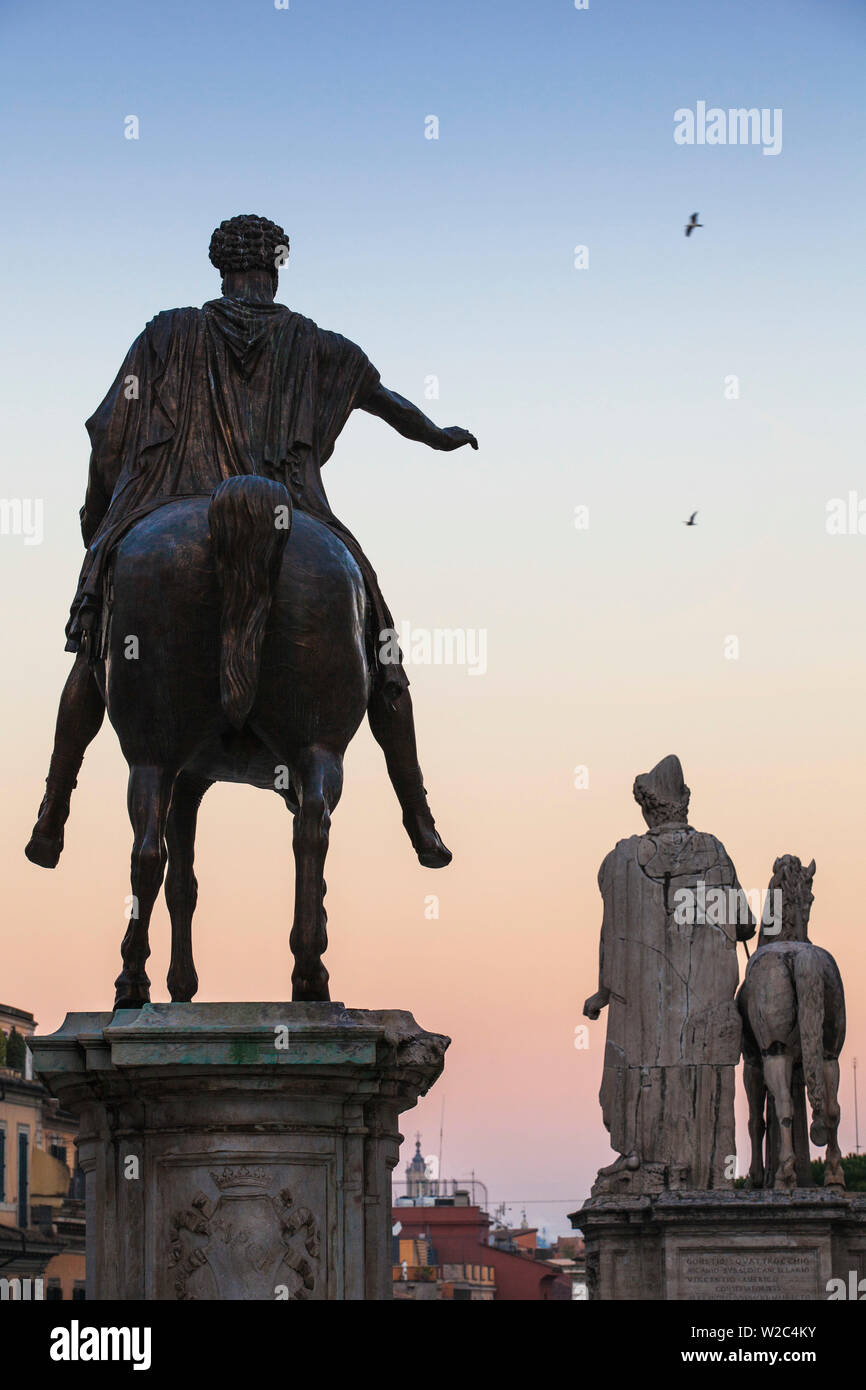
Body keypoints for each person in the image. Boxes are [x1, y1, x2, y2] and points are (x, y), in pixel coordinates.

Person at [26, 214, 477, 872]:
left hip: (166, 501)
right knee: (382, 650)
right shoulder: (309, 342)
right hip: (293, 507)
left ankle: (53, 809)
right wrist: (438, 433)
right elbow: (383, 401)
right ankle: (419, 817)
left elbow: (108, 431)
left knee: (93, 653)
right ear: (277, 265)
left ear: (221, 266)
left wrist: (102, 523)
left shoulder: (165, 334)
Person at [583, 755, 755, 1193]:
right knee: (709, 1084)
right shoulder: (714, 851)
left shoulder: (621, 859)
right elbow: (746, 923)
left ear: (647, 807)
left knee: (645, 1075)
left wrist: (604, 991)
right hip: (707, 1014)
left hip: (644, 1014)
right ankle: (717, 1178)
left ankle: (647, 1160)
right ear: (684, 803)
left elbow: (612, 931)